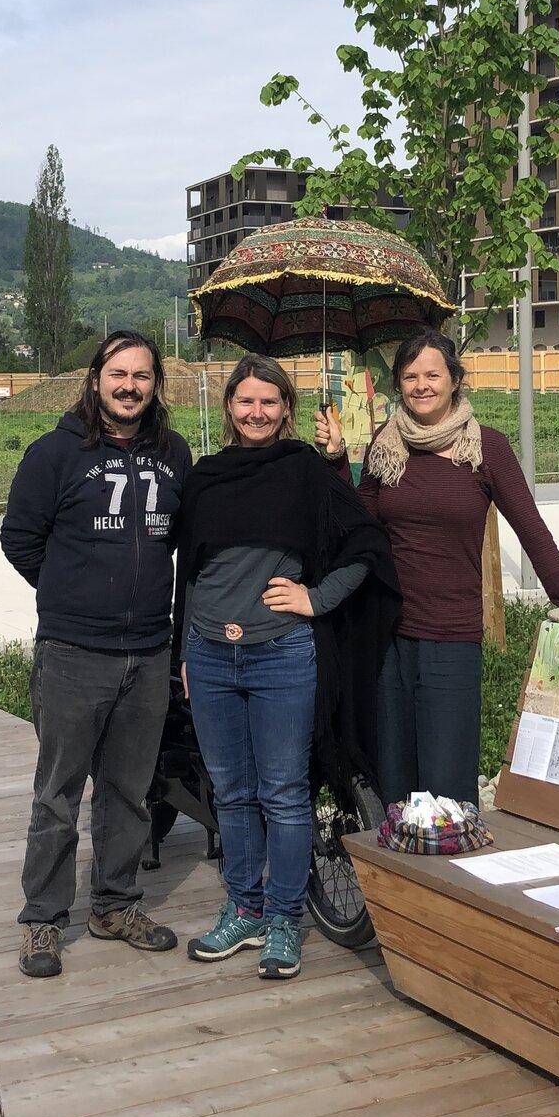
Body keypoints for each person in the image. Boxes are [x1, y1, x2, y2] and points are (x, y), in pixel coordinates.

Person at [171, 354, 397, 981]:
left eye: (269, 402)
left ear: (287, 411)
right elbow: (186, 573)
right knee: (233, 793)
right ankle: (243, 908)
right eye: (245, 401)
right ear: (228, 410)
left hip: (281, 655)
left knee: (284, 794)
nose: (257, 412)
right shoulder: (206, 476)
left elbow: (362, 542)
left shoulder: (304, 470)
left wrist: (315, 599)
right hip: (212, 655)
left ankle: (283, 921)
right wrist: (184, 652)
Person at [317, 330, 559, 808]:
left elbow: (532, 531)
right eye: (410, 376)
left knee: (446, 786)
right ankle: (401, 879)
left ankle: (448, 876)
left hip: (451, 638)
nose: (421, 385)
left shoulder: (486, 448)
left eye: (432, 374)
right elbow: (359, 524)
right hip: (389, 635)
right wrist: (338, 460)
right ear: (399, 385)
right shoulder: (386, 442)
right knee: (395, 781)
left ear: (455, 380)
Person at [0, 331, 193, 979]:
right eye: (119, 373)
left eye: (142, 375)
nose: (130, 385)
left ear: (154, 385)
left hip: (148, 654)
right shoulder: (54, 454)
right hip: (75, 654)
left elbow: (188, 545)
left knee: (129, 792)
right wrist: (68, 595)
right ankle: (42, 922)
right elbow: (21, 538)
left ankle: (114, 905)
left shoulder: (174, 455)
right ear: (95, 379)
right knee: (57, 795)